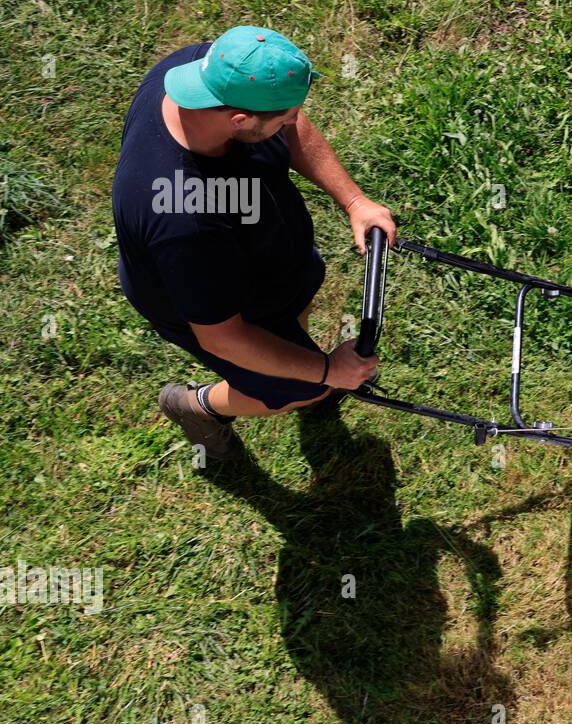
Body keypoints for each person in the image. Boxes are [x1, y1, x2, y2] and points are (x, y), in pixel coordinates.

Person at [111, 25, 396, 460]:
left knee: (298, 315)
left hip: (266, 255)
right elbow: (224, 337)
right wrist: (325, 371)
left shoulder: (209, 70)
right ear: (240, 121)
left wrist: (354, 201)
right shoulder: (183, 220)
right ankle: (197, 406)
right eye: (282, 120)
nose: (292, 124)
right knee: (298, 388)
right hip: (212, 303)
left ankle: (308, 373)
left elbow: (292, 123)